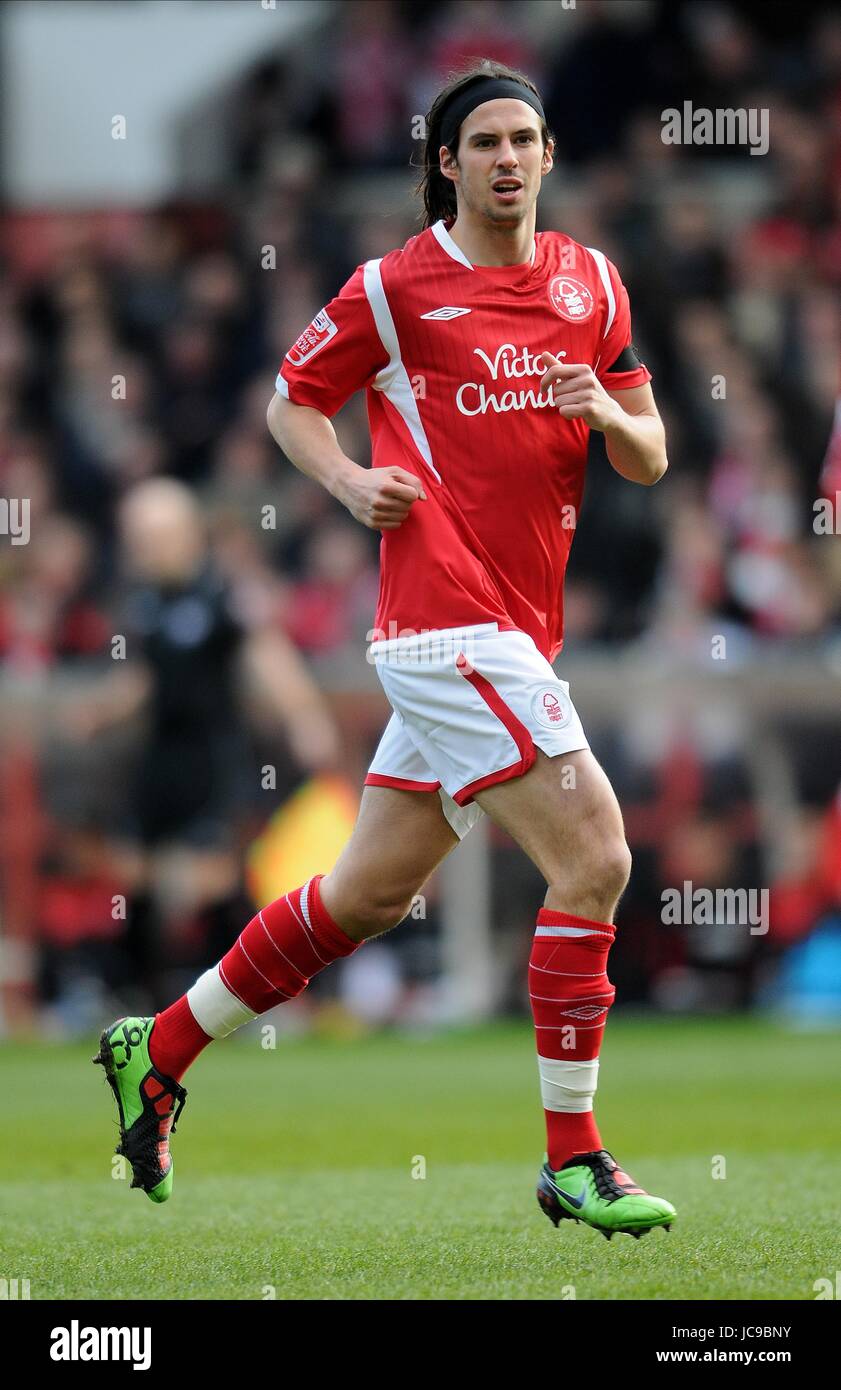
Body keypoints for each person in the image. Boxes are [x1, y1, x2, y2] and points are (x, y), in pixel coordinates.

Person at [94, 60, 676, 1239]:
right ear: (446, 167)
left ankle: (158, 1046)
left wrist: (609, 414)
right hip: (442, 626)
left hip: (517, 633)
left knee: (363, 896)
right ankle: (575, 1158)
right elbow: (287, 402)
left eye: (525, 140)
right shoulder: (395, 288)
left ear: (549, 156)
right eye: (484, 145)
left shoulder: (593, 284)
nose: (507, 159)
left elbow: (649, 454)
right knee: (597, 858)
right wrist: (350, 477)